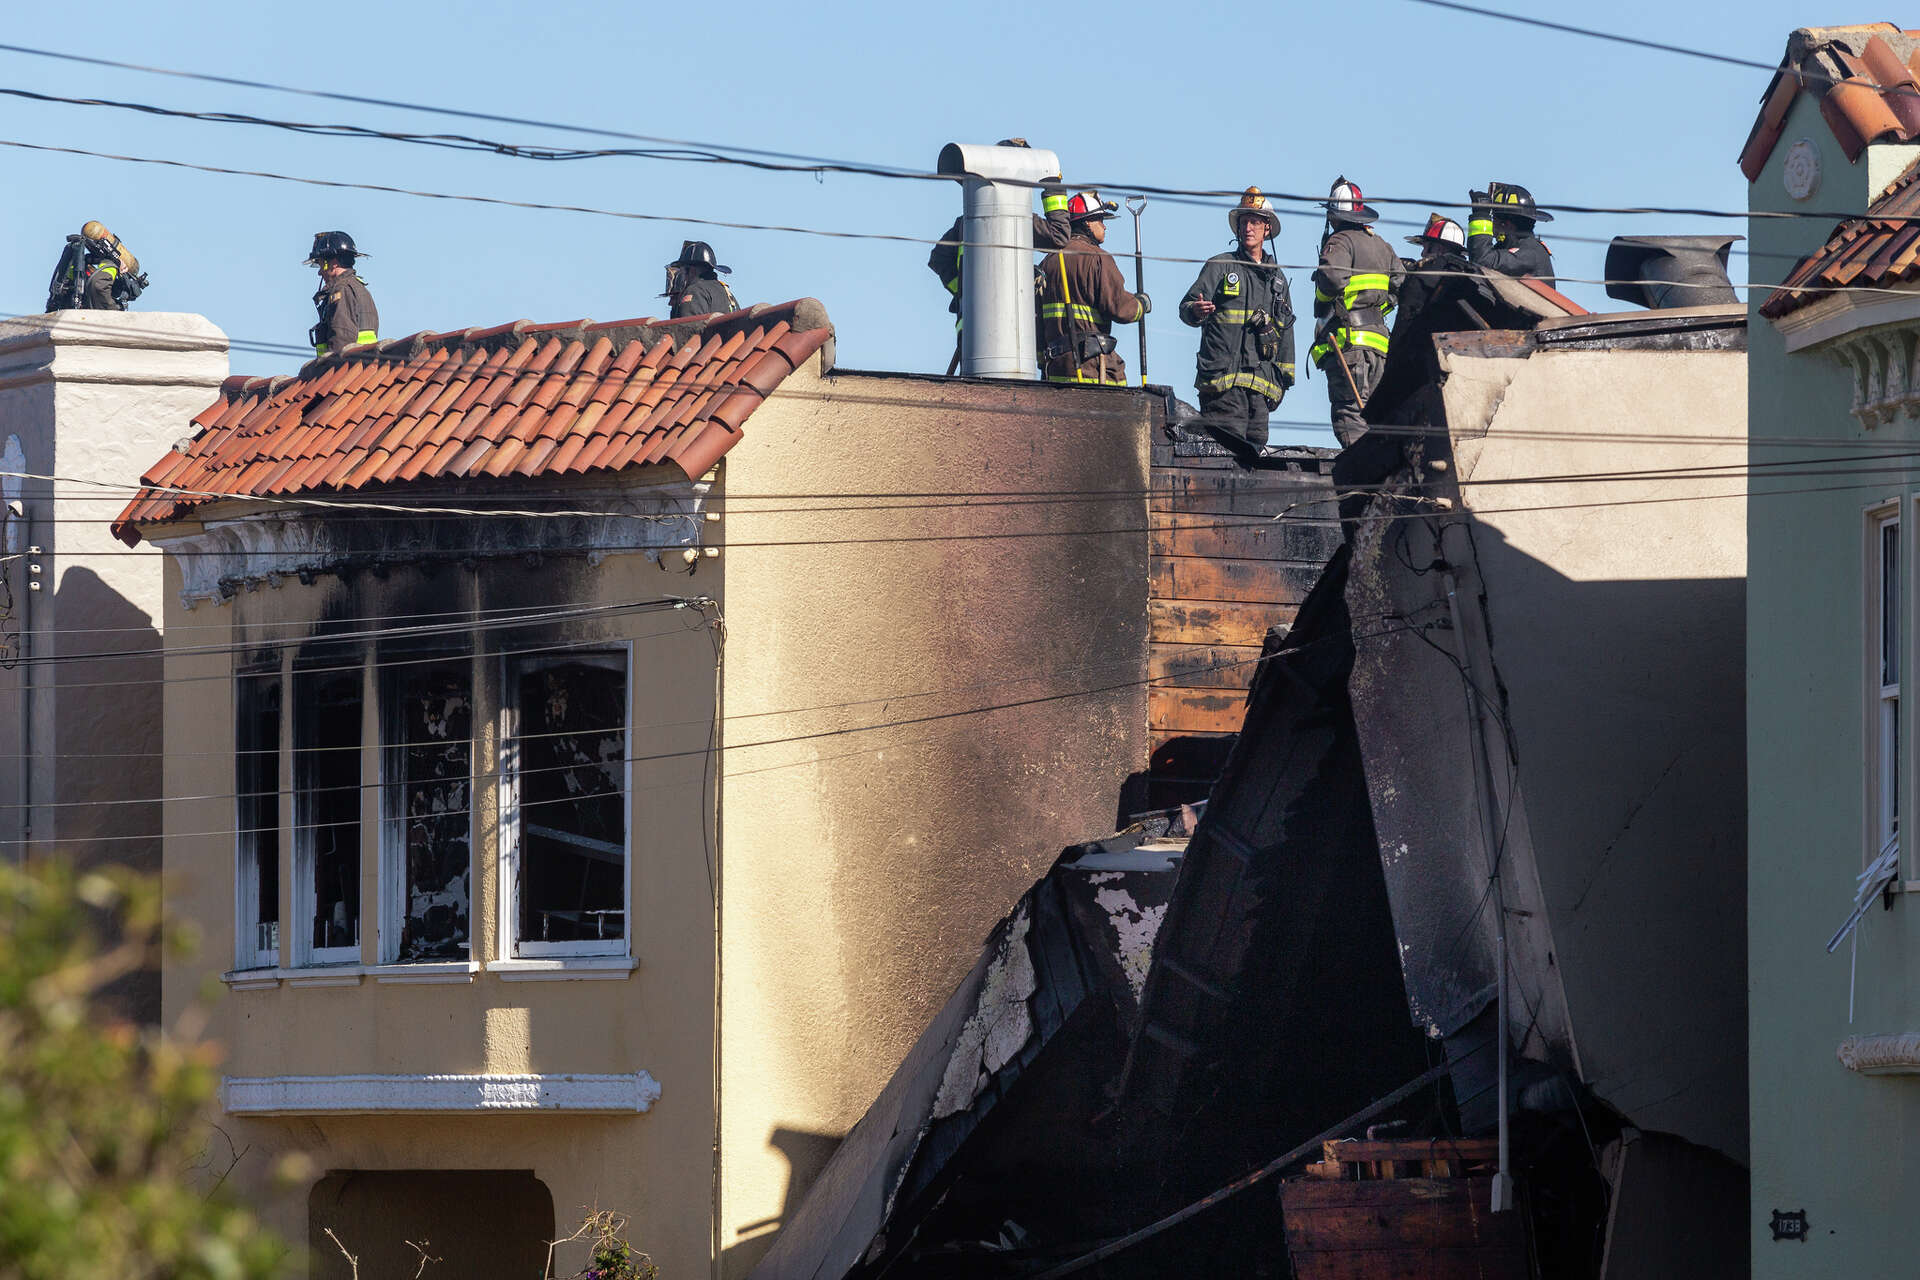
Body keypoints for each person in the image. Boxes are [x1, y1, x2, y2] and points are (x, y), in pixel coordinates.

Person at [928, 138, 1072, 370]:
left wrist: (965, 290)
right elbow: (1059, 236)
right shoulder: (1022, 221)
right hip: (1012, 335)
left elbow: (937, 259)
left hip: (973, 333)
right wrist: (1053, 186)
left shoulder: (964, 224)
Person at [1179, 187, 1294, 460]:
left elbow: (1286, 337)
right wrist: (1195, 310)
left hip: (1260, 393)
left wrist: (1283, 384)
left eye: (1255, 221)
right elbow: (1185, 308)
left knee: (1252, 461)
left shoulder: (1278, 282)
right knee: (1223, 456)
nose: (1248, 228)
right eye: (1244, 222)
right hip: (1222, 389)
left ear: (1267, 228)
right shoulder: (1220, 267)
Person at [1311, 176, 1403, 446]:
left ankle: (1362, 480)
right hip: (1379, 348)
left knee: (1349, 416)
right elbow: (1402, 283)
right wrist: (1379, 306)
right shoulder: (1381, 245)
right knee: (1375, 417)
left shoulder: (1340, 242)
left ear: (1334, 215)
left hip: (1350, 345)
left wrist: (1326, 302)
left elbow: (1330, 279)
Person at [1035, 190, 1150, 385]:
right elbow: (1119, 307)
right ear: (1087, 222)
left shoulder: (1048, 262)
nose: (1104, 226)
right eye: (1100, 220)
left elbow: (1037, 320)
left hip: (1056, 370)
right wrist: (1141, 304)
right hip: (1092, 368)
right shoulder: (1098, 259)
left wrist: (1042, 360)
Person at [305, 231, 378, 359]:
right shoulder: (357, 287)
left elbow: (342, 339)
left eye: (321, 264)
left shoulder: (341, 290)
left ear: (333, 263)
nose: (320, 272)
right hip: (362, 368)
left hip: (347, 369)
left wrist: (331, 371)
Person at [45, 221, 146, 312]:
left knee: (97, 282)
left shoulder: (109, 270)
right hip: (88, 304)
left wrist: (112, 263)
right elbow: (62, 282)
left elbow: (98, 286)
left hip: (105, 310)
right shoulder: (85, 265)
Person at [1467, 182, 1555, 285]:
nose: (1491, 223)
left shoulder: (1530, 251)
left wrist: (1480, 216)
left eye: (1493, 218)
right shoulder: (1514, 248)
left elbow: (1483, 261)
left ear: (1506, 224)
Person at [664, 241, 739, 319]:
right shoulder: (727, 293)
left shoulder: (695, 291)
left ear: (692, 271)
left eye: (684, 273)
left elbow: (689, 327)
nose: (684, 277)